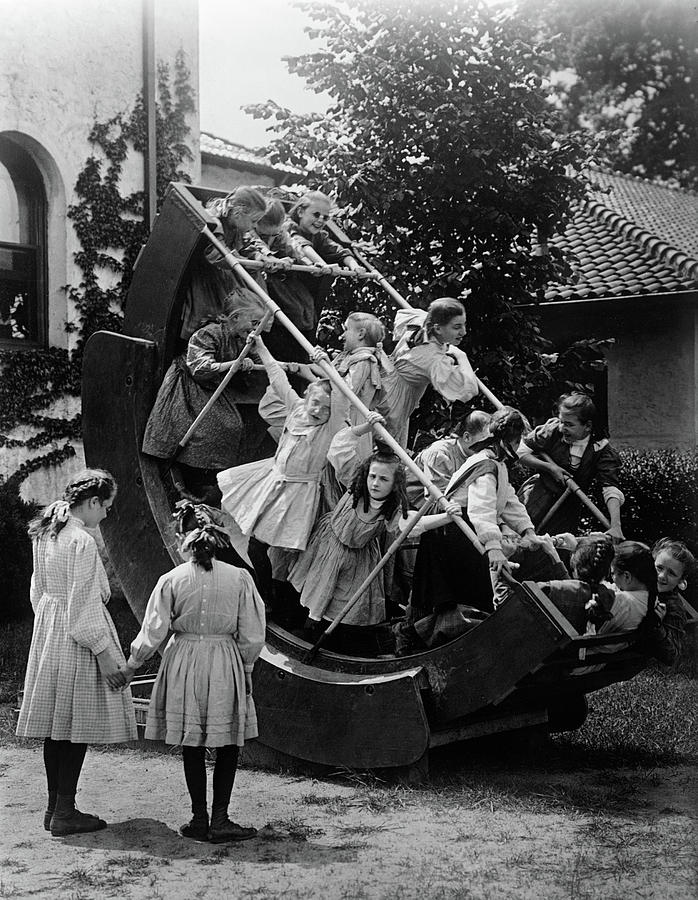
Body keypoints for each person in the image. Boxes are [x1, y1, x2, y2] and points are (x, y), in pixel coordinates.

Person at [123, 501, 265, 843]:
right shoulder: (240, 578)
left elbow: (154, 629)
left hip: (184, 658)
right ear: (219, 539)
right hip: (223, 659)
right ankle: (220, 819)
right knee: (227, 740)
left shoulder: (172, 579)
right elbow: (252, 634)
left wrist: (133, 664)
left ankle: (200, 818)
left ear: (180, 538)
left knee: (192, 740)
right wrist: (245, 668)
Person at [16, 469, 137, 836]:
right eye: (107, 507)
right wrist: (103, 654)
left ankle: (55, 808)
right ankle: (64, 812)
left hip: (51, 630)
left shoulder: (48, 532)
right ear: (93, 502)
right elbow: (84, 606)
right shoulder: (80, 541)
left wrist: (50, 626)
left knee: (57, 726)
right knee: (73, 725)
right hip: (76, 637)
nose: (107, 515)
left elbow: (38, 591)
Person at [217, 335, 348, 599]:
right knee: (247, 534)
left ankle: (272, 597)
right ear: (306, 397)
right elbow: (278, 379)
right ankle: (260, 590)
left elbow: (343, 399)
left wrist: (328, 367)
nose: (318, 410)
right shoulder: (298, 409)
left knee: (276, 549)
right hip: (271, 478)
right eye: (315, 402)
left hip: (297, 493)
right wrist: (262, 347)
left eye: (325, 408)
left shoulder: (329, 428)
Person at [409, 407, 546, 636]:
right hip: (451, 530)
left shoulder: (497, 464)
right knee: (456, 593)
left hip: (466, 529)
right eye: (516, 442)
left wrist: (528, 530)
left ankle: (466, 633)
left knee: (473, 589)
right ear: (506, 442)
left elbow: (508, 499)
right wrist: (493, 547)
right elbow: (480, 509)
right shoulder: (484, 465)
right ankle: (432, 634)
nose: (518, 448)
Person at [142, 295, 270, 502]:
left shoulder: (243, 339)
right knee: (206, 426)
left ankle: (207, 477)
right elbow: (199, 367)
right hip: (189, 385)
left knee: (233, 425)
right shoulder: (209, 333)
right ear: (236, 317)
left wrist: (258, 363)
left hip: (212, 386)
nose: (256, 329)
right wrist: (235, 364)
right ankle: (187, 476)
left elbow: (258, 358)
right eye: (254, 323)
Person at [518, 392, 625, 540]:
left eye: (569, 424)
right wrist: (550, 467)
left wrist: (615, 526)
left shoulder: (600, 449)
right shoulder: (552, 430)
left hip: (566, 509)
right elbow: (520, 452)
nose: (562, 428)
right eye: (562, 421)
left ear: (587, 426)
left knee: (556, 549)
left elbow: (610, 489)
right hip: (536, 497)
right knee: (519, 541)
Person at [376, 298, 479, 447]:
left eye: (464, 324)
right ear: (437, 329)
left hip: (384, 381)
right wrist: (461, 356)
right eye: (457, 327)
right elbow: (469, 390)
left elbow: (402, 320)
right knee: (382, 445)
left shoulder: (421, 321)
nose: (463, 331)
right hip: (394, 401)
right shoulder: (435, 360)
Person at [180, 187, 268, 341]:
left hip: (222, 273)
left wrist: (259, 256)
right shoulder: (216, 223)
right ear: (238, 212)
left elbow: (247, 246)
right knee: (214, 315)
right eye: (254, 221)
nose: (255, 226)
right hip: (206, 277)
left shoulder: (237, 225)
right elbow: (219, 254)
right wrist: (245, 260)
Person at [286, 190, 365, 332]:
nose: (321, 220)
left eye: (325, 217)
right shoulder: (290, 227)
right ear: (300, 212)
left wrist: (354, 265)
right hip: (284, 281)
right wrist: (323, 264)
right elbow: (301, 245)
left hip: (303, 288)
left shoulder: (319, 236)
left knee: (309, 315)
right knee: (300, 312)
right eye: (316, 214)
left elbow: (337, 250)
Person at [406, 410, 492, 504]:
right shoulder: (439, 453)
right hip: (413, 507)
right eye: (485, 440)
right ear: (467, 437)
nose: (490, 446)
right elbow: (441, 500)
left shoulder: (478, 457)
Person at [640, 538, 696, 665]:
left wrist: (657, 626)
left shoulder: (673, 607)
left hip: (626, 659)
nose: (661, 576)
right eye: (659, 568)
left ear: (681, 581)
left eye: (671, 573)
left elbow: (672, 657)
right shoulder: (638, 586)